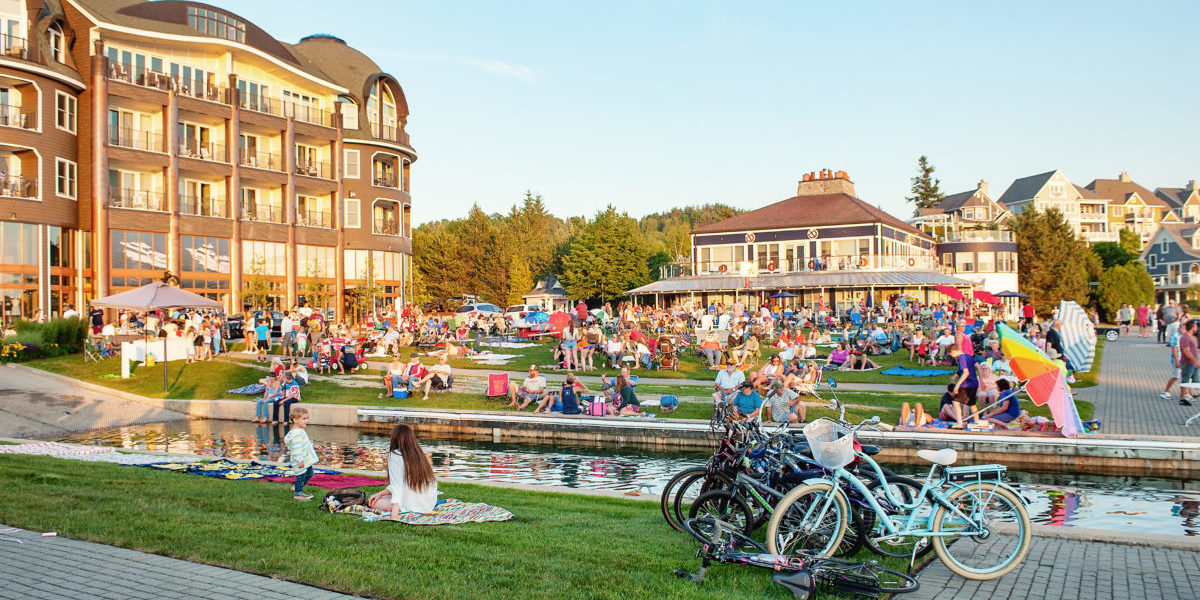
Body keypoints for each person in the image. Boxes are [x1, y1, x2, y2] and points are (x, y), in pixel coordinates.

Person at [368, 424, 438, 516]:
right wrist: (381, 493)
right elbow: (404, 482)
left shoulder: (394, 455)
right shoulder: (419, 453)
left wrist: (394, 515)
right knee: (381, 497)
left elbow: (397, 487)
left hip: (412, 504)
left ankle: (399, 508)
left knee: (373, 503)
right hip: (428, 503)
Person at [283, 407, 318, 501]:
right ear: (295, 420)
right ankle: (298, 494)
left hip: (304, 459)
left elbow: (304, 443)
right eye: (304, 419)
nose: (306, 421)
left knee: (310, 473)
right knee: (301, 476)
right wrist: (300, 460)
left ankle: (297, 487)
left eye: (307, 418)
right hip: (300, 460)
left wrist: (313, 446)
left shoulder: (299, 431)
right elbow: (297, 449)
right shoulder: (297, 434)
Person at [948, 343, 979, 428]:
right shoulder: (968, 356)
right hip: (974, 383)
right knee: (972, 404)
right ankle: (977, 422)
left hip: (966, 384)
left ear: (954, 351)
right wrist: (955, 376)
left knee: (955, 401)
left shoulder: (961, 358)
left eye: (952, 355)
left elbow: (965, 372)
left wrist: (957, 385)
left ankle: (959, 423)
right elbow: (977, 366)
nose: (953, 357)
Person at [1179, 320, 1198, 406]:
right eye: (1195, 326)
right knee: (1185, 380)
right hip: (1187, 363)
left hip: (1193, 363)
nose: (1197, 328)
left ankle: (1193, 394)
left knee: (1196, 379)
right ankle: (1182, 398)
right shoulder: (1185, 337)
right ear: (1192, 328)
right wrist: (1195, 361)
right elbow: (1187, 351)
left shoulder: (1191, 337)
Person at [1162, 319, 1182, 401]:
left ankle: (1187, 393)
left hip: (1183, 359)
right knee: (1175, 376)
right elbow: (1174, 349)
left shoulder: (1183, 336)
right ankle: (1165, 391)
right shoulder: (1176, 336)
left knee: (1185, 377)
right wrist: (1177, 361)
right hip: (1177, 359)